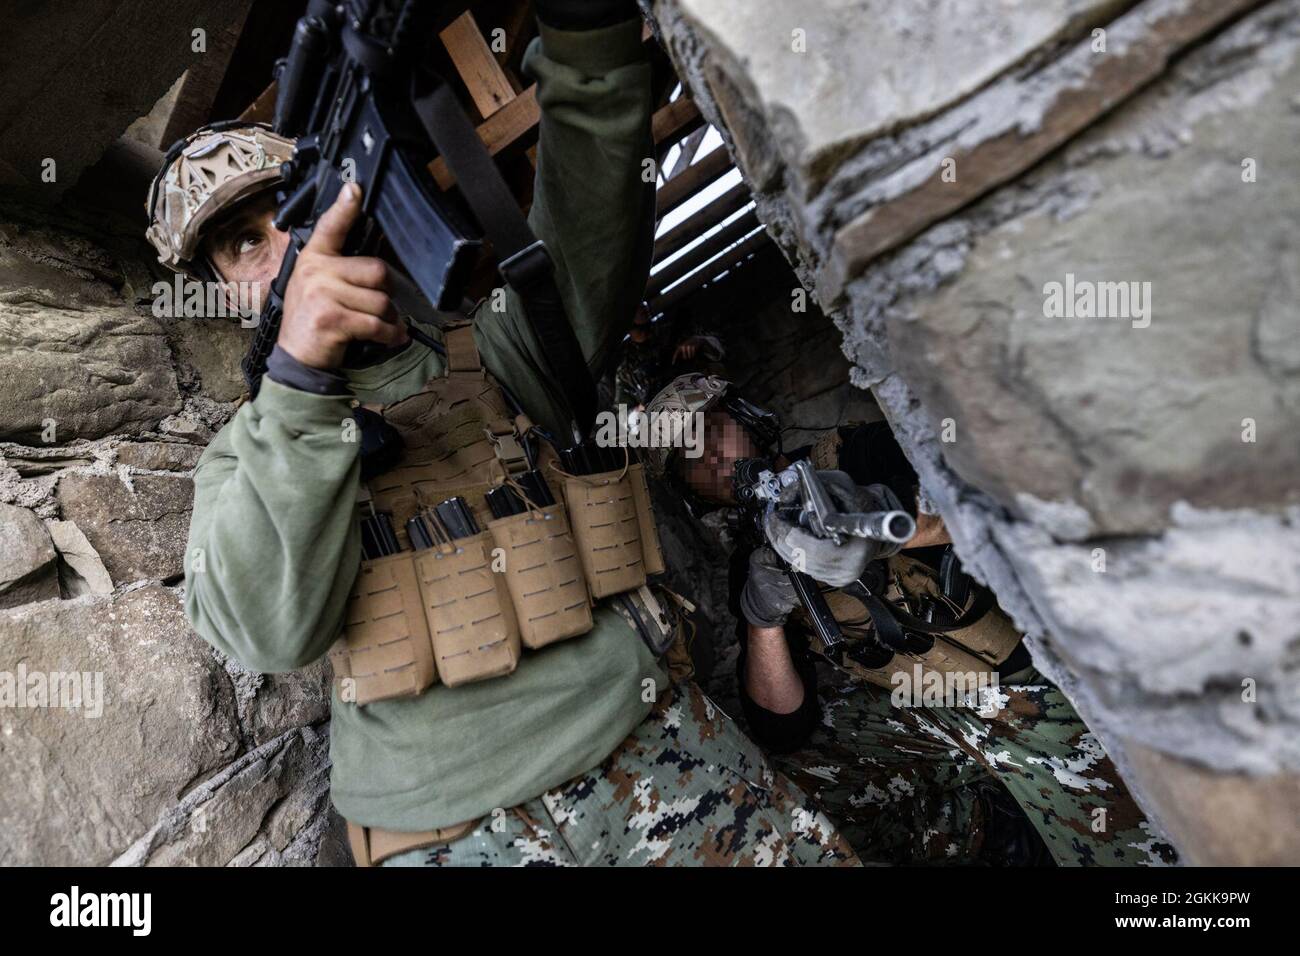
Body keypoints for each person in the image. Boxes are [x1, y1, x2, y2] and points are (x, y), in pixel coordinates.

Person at [147, 3, 856, 867]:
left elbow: (593, 226)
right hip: (442, 835)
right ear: (225, 296)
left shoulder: (495, 350)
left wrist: (586, 36)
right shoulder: (242, 454)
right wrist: (298, 389)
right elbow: (269, 633)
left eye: (290, 212)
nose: (288, 250)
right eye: (244, 245)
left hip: (656, 752)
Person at [643, 372, 1179, 866]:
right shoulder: (752, 565)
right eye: (691, 459)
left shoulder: (854, 453)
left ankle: (1032, 798)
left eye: (714, 431)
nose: (711, 458)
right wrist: (763, 620)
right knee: (797, 796)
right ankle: (988, 822)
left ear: (747, 419)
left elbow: (994, 496)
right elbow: (783, 726)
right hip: (921, 711)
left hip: (1021, 690)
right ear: (690, 492)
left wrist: (880, 524)